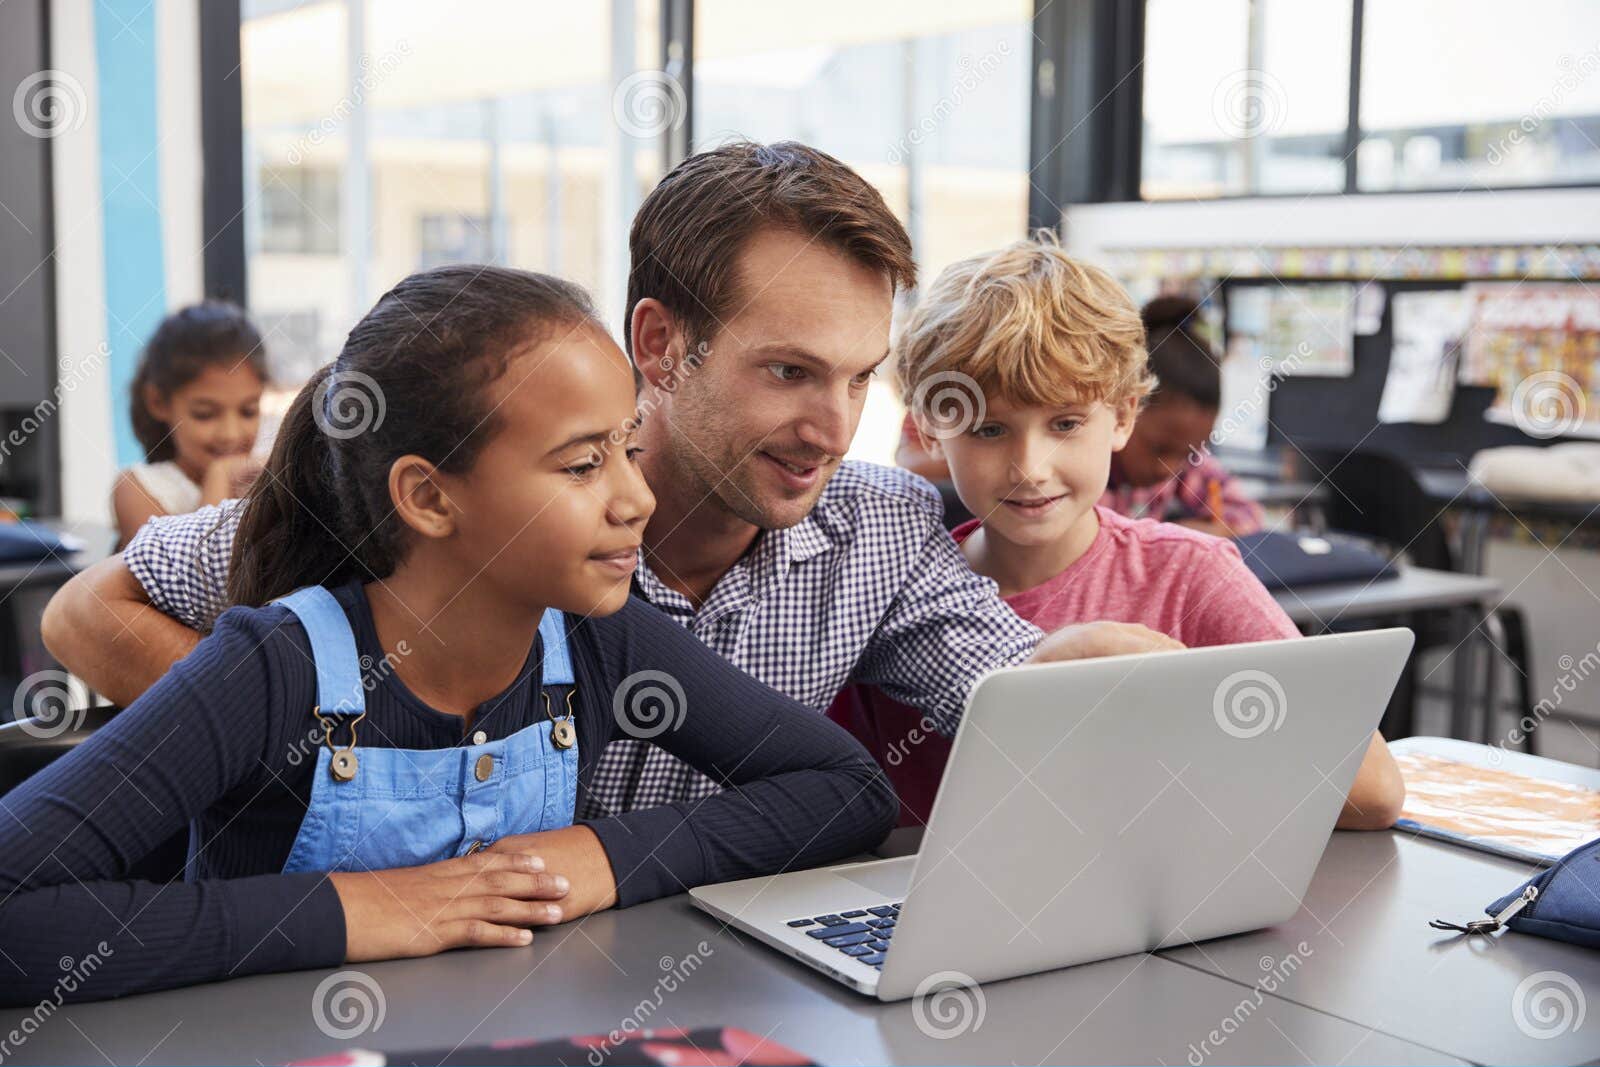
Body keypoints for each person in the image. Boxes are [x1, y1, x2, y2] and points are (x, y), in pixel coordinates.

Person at [43, 141, 1173, 820]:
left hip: (667, 975)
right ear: (660, 343)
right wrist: (294, 759)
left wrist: (1130, 674)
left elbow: (1008, 687)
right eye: (787, 371)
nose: (832, 428)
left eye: (859, 377)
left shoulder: (880, 528)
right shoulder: (496, 490)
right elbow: (88, 609)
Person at [0, 265, 896, 1005]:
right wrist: (364, 909)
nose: (637, 497)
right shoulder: (273, 670)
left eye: (627, 447)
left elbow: (846, 788)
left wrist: (606, 855)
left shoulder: (600, 643)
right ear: (429, 497)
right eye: (584, 464)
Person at [829, 236, 1404, 830]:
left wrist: (1189, 712)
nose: (1031, 467)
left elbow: (1374, 793)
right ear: (928, 430)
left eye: (1066, 423)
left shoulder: (1190, 575)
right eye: (989, 431)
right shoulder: (889, 587)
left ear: (1123, 416)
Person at [1102, 295, 1264, 536]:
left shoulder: (1183, 468)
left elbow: (1247, 512)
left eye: (1188, 454)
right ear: (1121, 411)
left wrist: (1186, 536)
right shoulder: (1084, 478)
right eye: (1158, 450)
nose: (1167, 469)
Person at [112, 302, 268, 547]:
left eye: (248, 412)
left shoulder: (265, 477)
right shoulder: (139, 489)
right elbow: (194, 579)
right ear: (158, 402)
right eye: (205, 414)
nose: (231, 434)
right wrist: (219, 480)